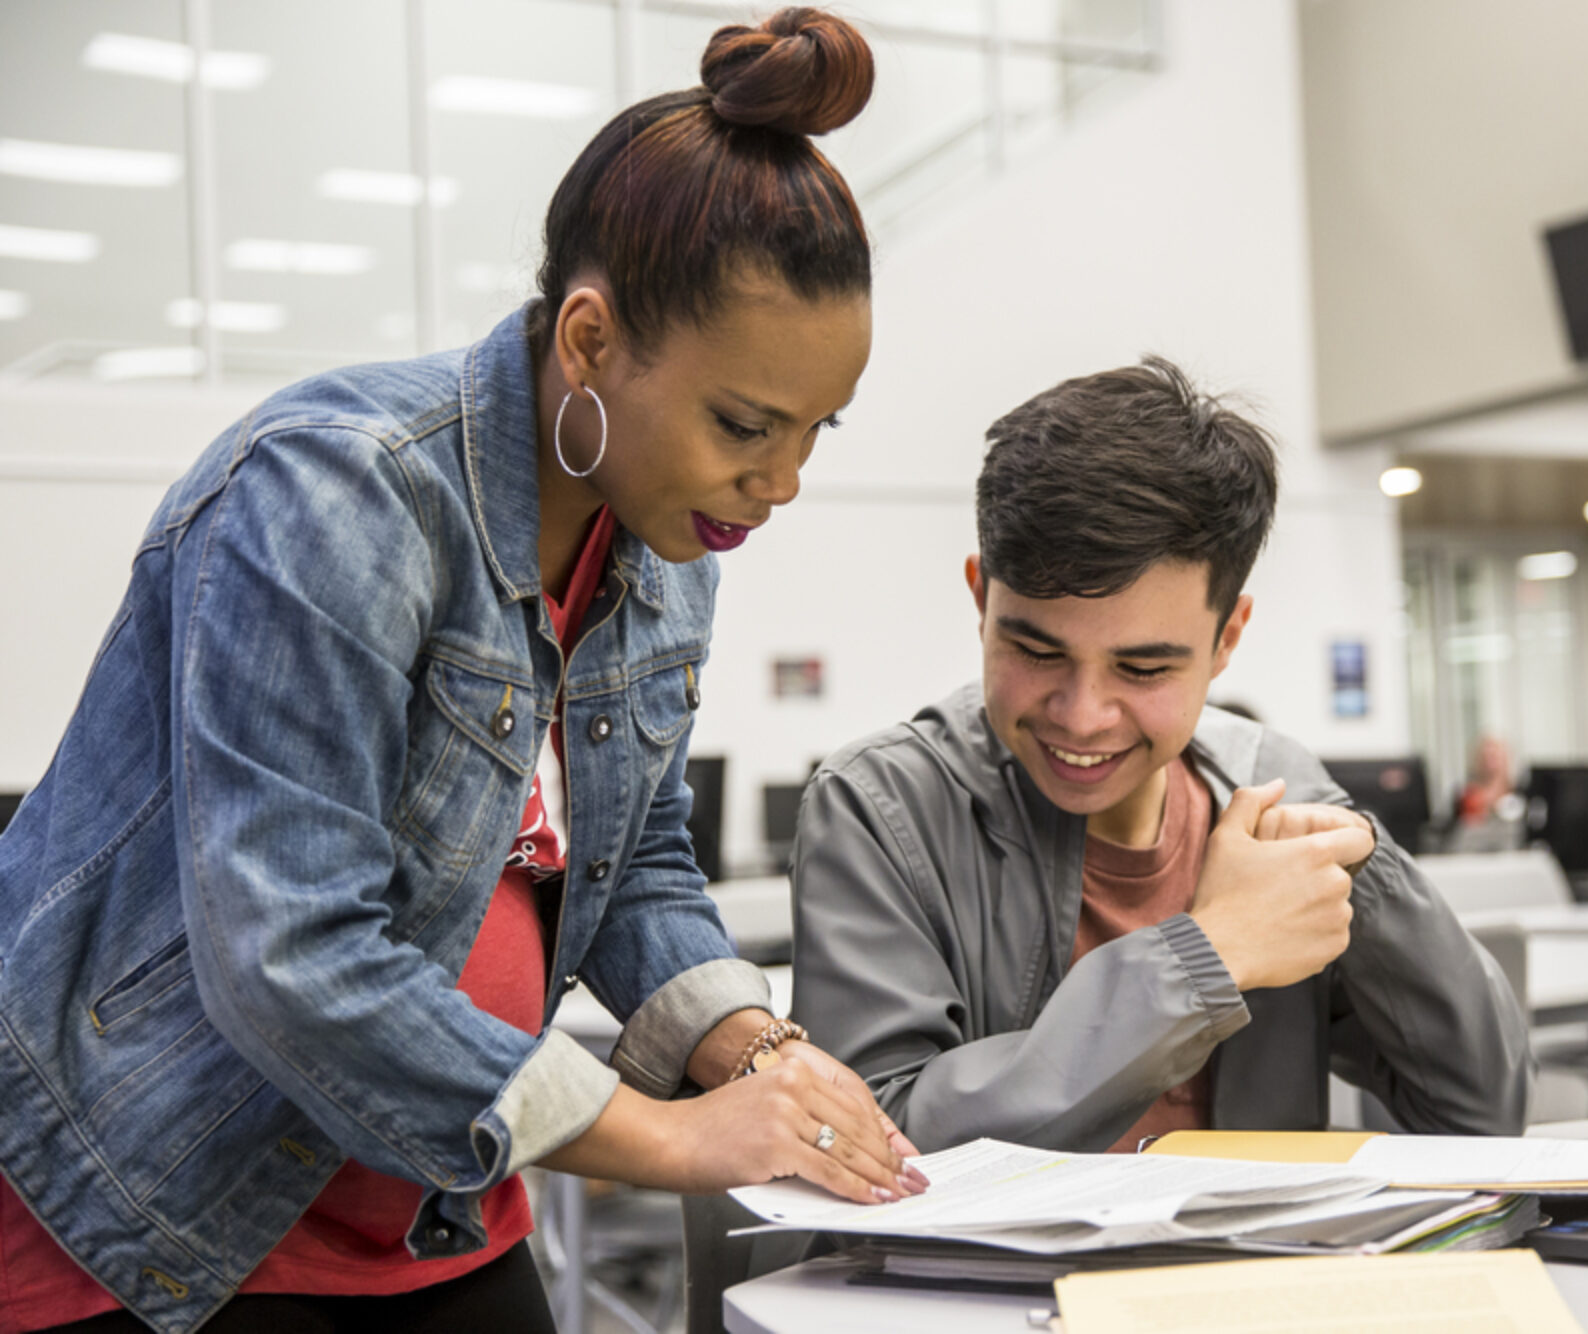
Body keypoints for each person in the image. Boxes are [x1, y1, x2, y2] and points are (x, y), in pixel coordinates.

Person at [0, 11, 924, 1334]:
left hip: (436, 1199)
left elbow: (634, 859)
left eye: (814, 431)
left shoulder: (667, 542)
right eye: (744, 425)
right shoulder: (337, 491)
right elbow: (292, 958)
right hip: (163, 1218)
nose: (779, 485)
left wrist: (758, 1049)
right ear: (592, 341)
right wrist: (679, 1136)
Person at [788, 358, 1532, 1157]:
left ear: (1227, 640)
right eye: (1035, 650)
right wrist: (1207, 961)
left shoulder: (1274, 795)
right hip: (991, 1286)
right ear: (982, 599)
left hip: (1253, 1273)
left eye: (1143, 670)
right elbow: (878, 1143)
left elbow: (1482, 1112)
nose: (1082, 714)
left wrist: (1369, 873)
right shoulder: (879, 807)